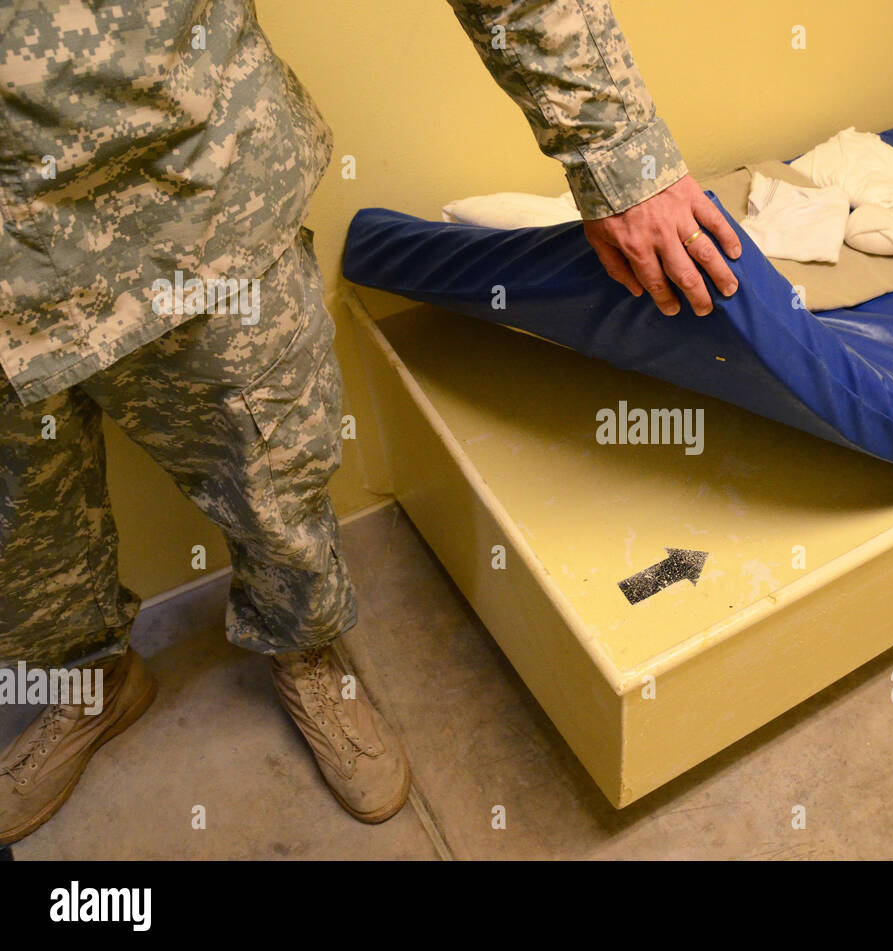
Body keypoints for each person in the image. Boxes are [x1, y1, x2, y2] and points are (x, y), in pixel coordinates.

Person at [0, 0, 741, 845]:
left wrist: (620, 150)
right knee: (21, 534)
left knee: (276, 481)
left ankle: (305, 653)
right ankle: (88, 682)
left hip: (191, 213)